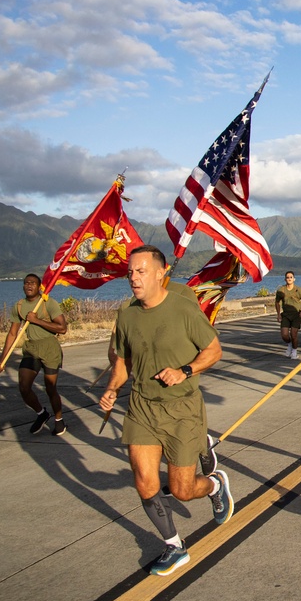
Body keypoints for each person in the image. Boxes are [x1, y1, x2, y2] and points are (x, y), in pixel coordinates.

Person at [99, 245, 232, 577]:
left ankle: (215, 486)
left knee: (183, 490)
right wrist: (112, 389)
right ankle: (173, 545)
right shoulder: (126, 315)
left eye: (141, 271)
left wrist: (184, 370)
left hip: (182, 409)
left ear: (162, 273)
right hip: (142, 408)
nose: (133, 277)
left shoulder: (183, 308)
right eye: (130, 272)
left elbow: (214, 351)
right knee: (145, 483)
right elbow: (123, 364)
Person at [0, 273, 69, 436]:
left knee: (50, 387)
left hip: (50, 347)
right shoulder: (19, 306)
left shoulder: (48, 303)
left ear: (39, 286)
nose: (29, 285)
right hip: (31, 349)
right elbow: (12, 334)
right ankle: (41, 413)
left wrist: (37, 320)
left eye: (33, 283)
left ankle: (59, 420)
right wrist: (2, 361)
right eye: (26, 283)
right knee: (23, 386)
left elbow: (62, 328)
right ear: (23, 286)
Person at [275, 271, 301, 359]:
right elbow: (277, 302)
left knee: (294, 334)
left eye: (291, 277)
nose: (289, 279)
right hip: (285, 315)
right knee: (284, 335)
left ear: (294, 279)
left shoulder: (299, 290)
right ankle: (289, 344)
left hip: (296, 315)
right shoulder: (281, 290)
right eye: (287, 277)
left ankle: (294, 350)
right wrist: (278, 314)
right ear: (285, 279)